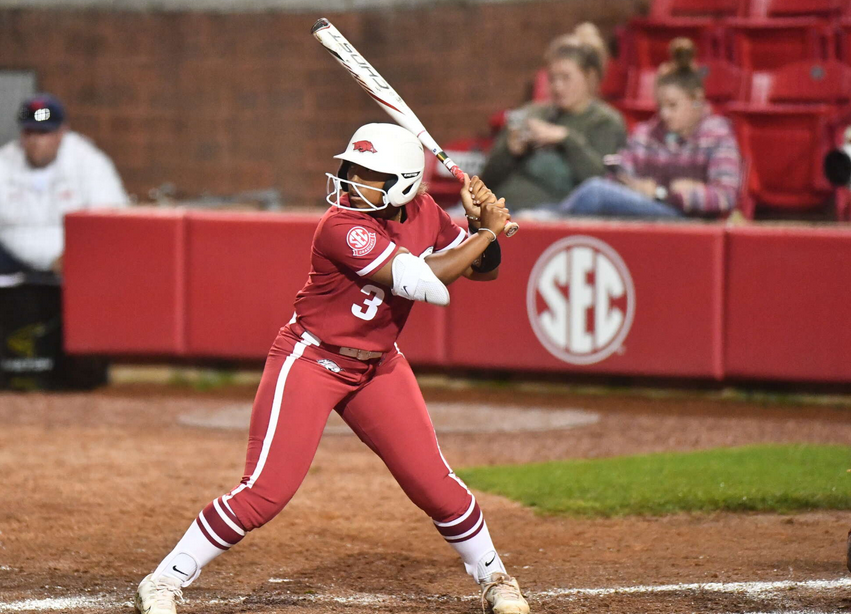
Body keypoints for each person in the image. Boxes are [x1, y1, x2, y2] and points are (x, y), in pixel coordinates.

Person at [133, 123, 529, 614]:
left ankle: (495, 578)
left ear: (404, 183)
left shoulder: (424, 211)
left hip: (378, 365)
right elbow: (422, 282)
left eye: (368, 174)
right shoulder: (340, 225)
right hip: (312, 359)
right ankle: (165, 580)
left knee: (435, 484)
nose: (350, 181)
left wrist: (477, 228)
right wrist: (487, 227)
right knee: (265, 493)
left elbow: (483, 270)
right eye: (352, 169)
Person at [0, 94, 129, 389]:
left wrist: (78, 253)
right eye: (29, 132)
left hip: (70, 254)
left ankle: (89, 363)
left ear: (61, 132)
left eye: (44, 133)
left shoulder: (88, 162)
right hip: (11, 251)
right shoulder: (0, 163)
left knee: (104, 267)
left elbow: (109, 223)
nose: (35, 141)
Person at [549, 38, 742, 218]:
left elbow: (726, 195)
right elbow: (617, 176)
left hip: (689, 222)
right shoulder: (646, 134)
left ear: (696, 101)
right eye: (660, 106)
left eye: (673, 106)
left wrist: (666, 194)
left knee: (595, 191)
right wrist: (636, 186)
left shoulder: (717, 135)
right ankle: (542, 218)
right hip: (645, 214)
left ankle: (550, 223)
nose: (665, 114)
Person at [481, 23, 627, 210]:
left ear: (590, 77)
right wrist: (509, 150)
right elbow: (486, 180)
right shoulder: (533, 113)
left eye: (566, 78)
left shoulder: (605, 122)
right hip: (495, 207)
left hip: (553, 213)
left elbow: (601, 187)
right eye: (552, 79)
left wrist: (566, 139)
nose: (557, 87)